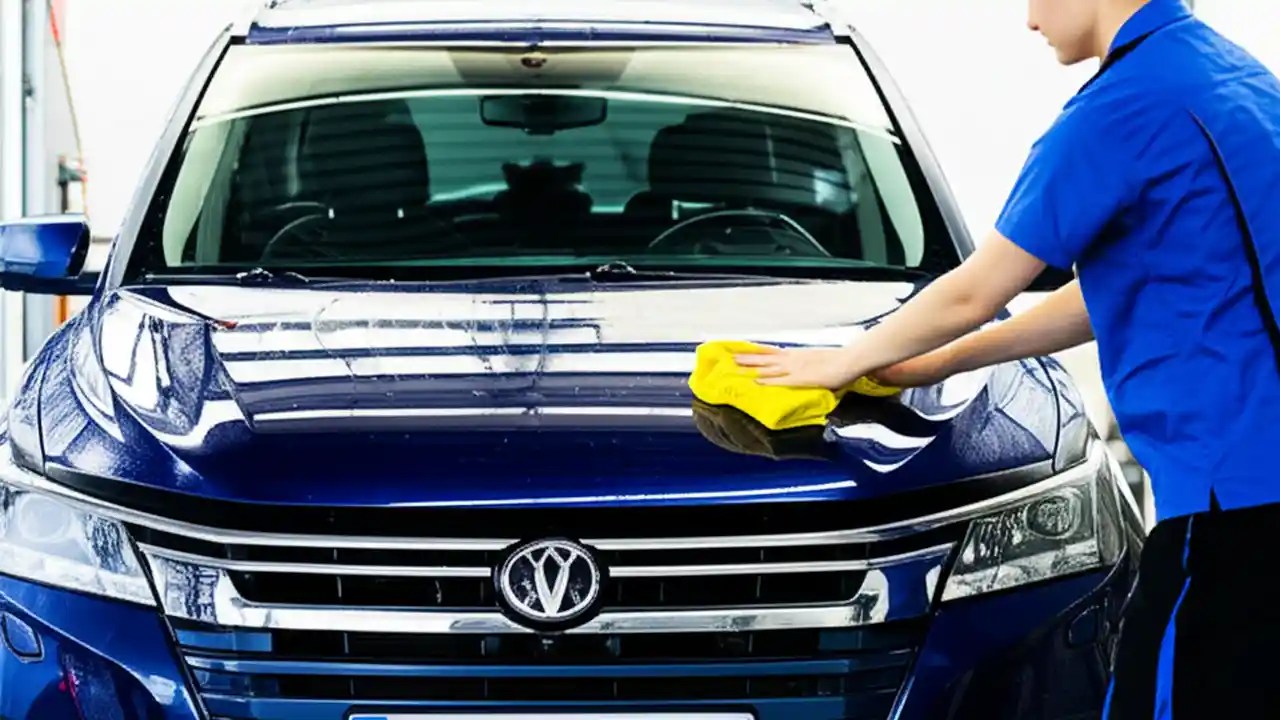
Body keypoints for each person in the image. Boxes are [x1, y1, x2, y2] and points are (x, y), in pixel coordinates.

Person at [736, 0, 1280, 716]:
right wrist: (943, 362)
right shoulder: (1229, 76)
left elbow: (975, 288)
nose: (1029, 19)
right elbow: (1122, 287)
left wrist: (841, 362)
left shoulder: (1119, 108)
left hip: (1226, 509)